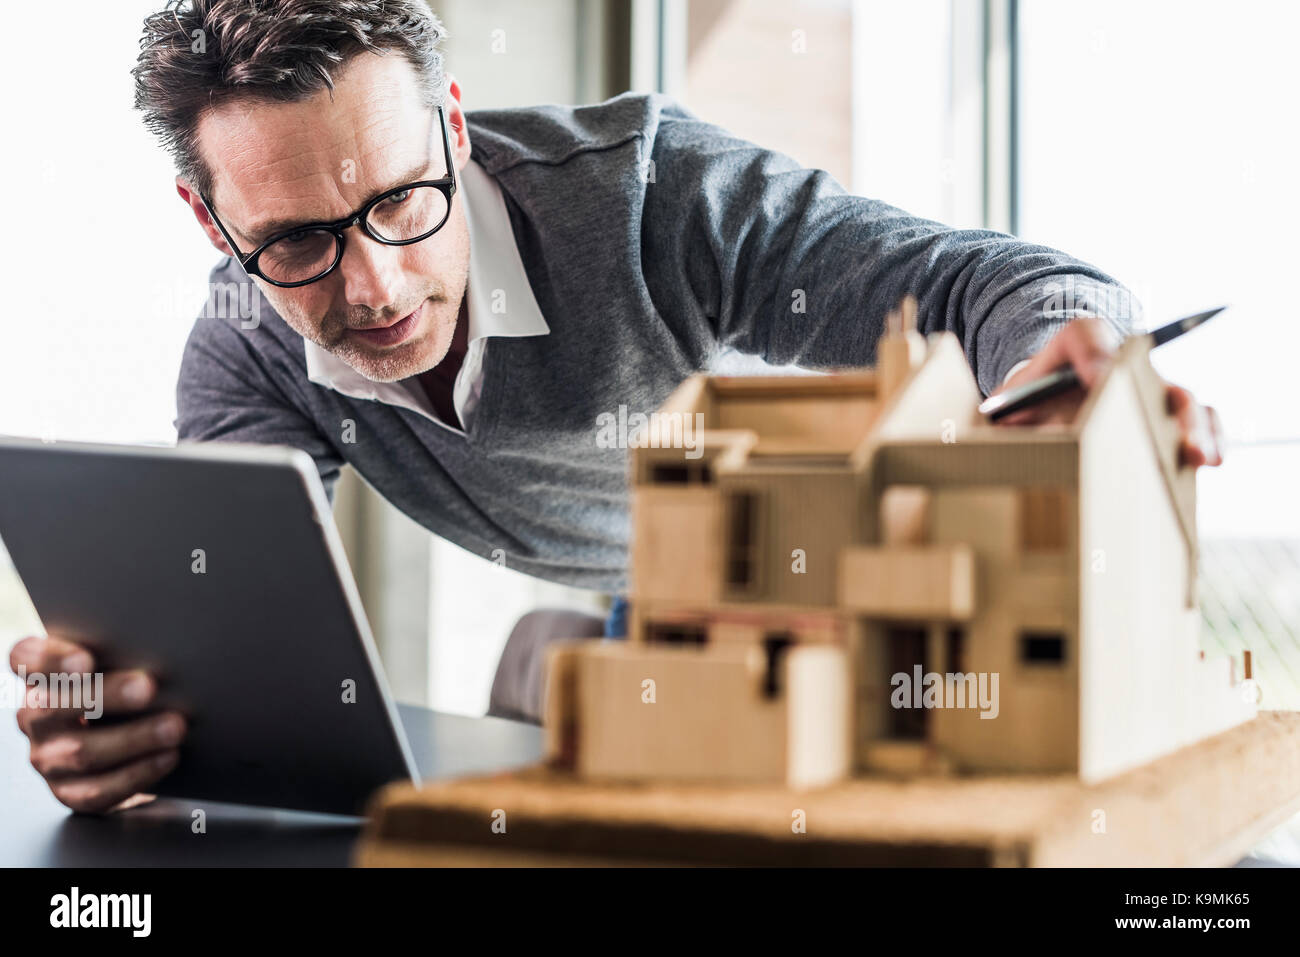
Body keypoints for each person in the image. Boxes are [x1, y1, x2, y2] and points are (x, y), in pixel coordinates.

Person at [10, 0, 1223, 813]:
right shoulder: (243, 344)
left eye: (398, 200)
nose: (373, 287)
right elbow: (237, 650)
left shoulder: (656, 196)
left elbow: (990, 283)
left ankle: (579, 653)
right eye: (295, 242)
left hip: (783, 574)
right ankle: (571, 656)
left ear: (451, 127)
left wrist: (1079, 369)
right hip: (615, 581)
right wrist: (127, 714)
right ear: (211, 220)